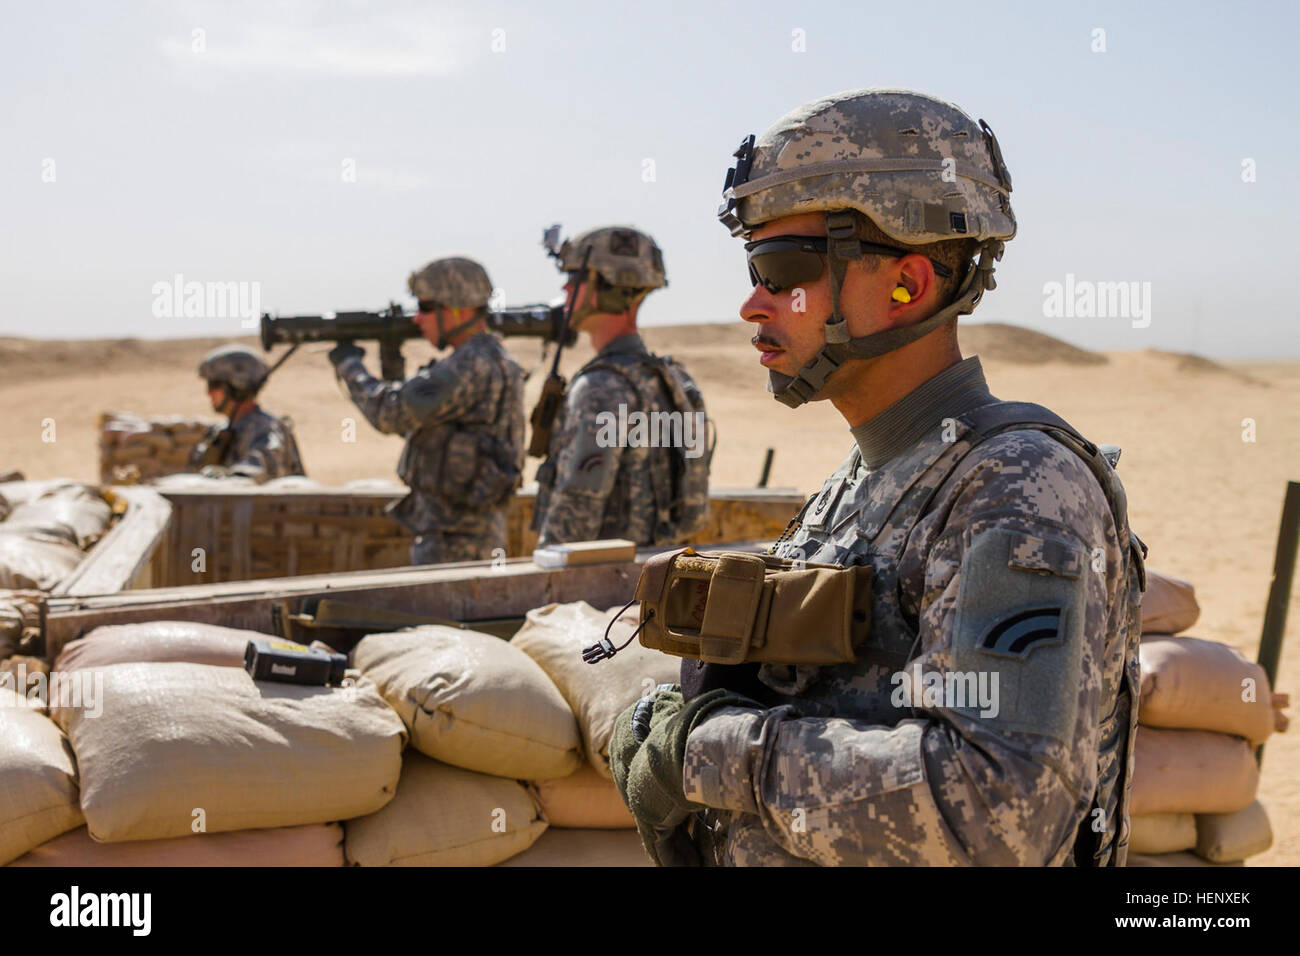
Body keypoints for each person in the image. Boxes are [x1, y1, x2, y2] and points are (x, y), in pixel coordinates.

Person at [609, 89, 1145, 867]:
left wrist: (709, 752)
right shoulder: (871, 479)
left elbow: (1001, 810)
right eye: (752, 265)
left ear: (909, 284)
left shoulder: (1016, 486)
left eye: (782, 268)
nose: (752, 303)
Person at [330, 256, 525, 565]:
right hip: (470, 537)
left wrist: (349, 365)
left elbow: (389, 413)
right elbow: (421, 423)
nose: (417, 319)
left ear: (456, 308)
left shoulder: (468, 365)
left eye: (425, 307)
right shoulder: (495, 359)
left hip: (453, 545)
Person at [533, 226, 710, 548]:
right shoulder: (675, 380)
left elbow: (574, 520)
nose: (565, 287)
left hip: (602, 586)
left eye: (575, 278)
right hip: (654, 572)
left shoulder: (601, 388)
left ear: (610, 288)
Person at [189, 344, 305, 482]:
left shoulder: (267, 429)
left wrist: (230, 477)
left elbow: (259, 471)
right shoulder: (218, 431)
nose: (208, 393)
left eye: (214, 385)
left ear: (237, 385)